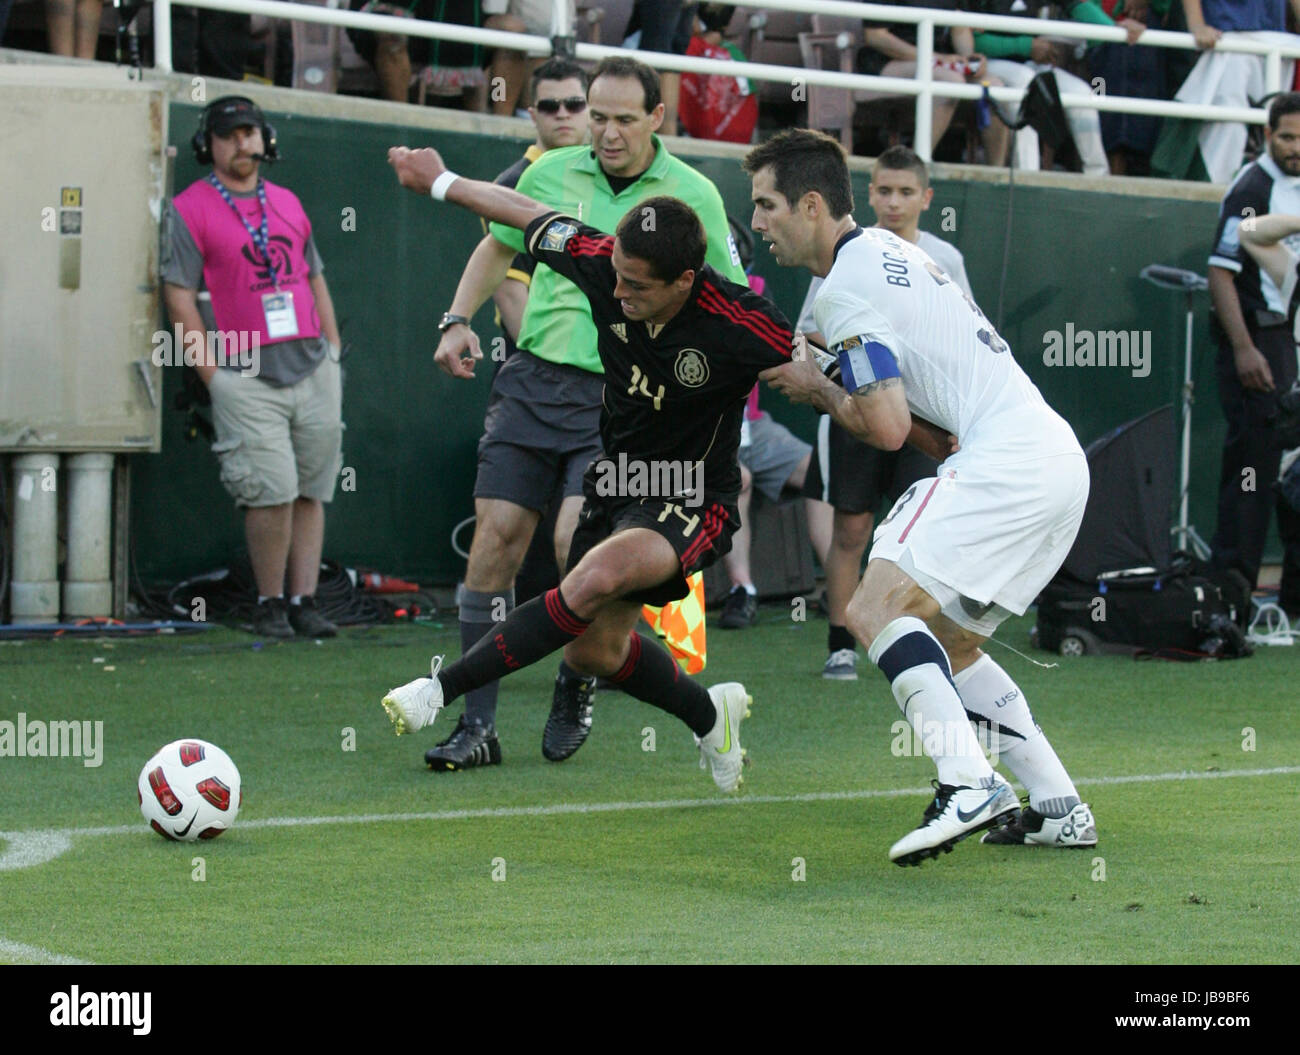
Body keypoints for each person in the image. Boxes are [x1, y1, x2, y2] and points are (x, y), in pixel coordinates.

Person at [383, 149, 798, 793]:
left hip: (693, 494)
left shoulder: (740, 320)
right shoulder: (604, 262)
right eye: (618, 276)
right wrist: (438, 181)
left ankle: (438, 690)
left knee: (594, 576)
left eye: (638, 285)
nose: (620, 291)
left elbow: (823, 373)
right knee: (593, 652)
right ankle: (710, 715)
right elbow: (522, 211)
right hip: (619, 482)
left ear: (686, 280)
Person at [745, 129, 1096, 864]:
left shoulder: (845, 288)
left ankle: (968, 780)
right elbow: (928, 432)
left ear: (811, 205)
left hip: (1010, 461)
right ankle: (1059, 804)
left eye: (766, 205)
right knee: (951, 642)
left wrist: (816, 388)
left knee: (871, 608)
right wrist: (836, 376)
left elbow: (887, 426)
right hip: (1052, 460)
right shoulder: (895, 253)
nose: (758, 223)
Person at [425, 55, 749, 771]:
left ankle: (578, 677)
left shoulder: (693, 194)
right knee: (494, 540)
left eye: (622, 119)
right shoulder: (547, 173)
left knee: (580, 545)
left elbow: (726, 304)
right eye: (595, 116)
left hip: (624, 404)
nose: (604, 132)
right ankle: (477, 725)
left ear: (657, 120)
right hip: (533, 380)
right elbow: (496, 243)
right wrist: (456, 319)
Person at [162, 97, 343, 640]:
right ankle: (268, 602)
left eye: (250, 132)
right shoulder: (190, 207)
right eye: (229, 134)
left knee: (312, 488)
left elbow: (314, 277)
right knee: (270, 491)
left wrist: (333, 348)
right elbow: (178, 297)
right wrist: (213, 374)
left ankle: (304, 600)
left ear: (266, 140)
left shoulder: (287, 200)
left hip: (312, 365)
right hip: (243, 372)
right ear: (208, 145)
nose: (242, 143)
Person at [797, 145, 964, 680]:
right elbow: (812, 333)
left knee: (920, 532)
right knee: (852, 528)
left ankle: (920, 643)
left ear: (926, 198)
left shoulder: (944, 258)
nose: (894, 202)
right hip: (857, 409)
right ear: (868, 193)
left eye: (906, 192)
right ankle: (840, 642)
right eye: (884, 190)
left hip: (923, 420)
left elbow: (959, 331)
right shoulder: (845, 252)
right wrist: (870, 365)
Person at [1206, 92, 1300, 616]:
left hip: (1288, 337)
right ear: (1268, 136)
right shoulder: (1252, 187)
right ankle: (1232, 595)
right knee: (1253, 469)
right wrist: (1244, 348)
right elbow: (1221, 267)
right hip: (1261, 337)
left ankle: (1291, 598)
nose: (1295, 148)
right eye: (1287, 136)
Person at [857, 0, 1011, 165]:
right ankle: (915, 166)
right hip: (887, 61)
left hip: (940, 62)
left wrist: (970, 61)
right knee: (950, 82)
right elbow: (875, 36)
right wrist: (934, 58)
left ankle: (996, 175)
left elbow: (959, 28)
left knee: (994, 86)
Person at [346, 0, 527, 112]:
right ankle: (400, 117)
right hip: (400, 12)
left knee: (512, 33)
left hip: (463, 23)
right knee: (392, 35)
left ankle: (500, 116)